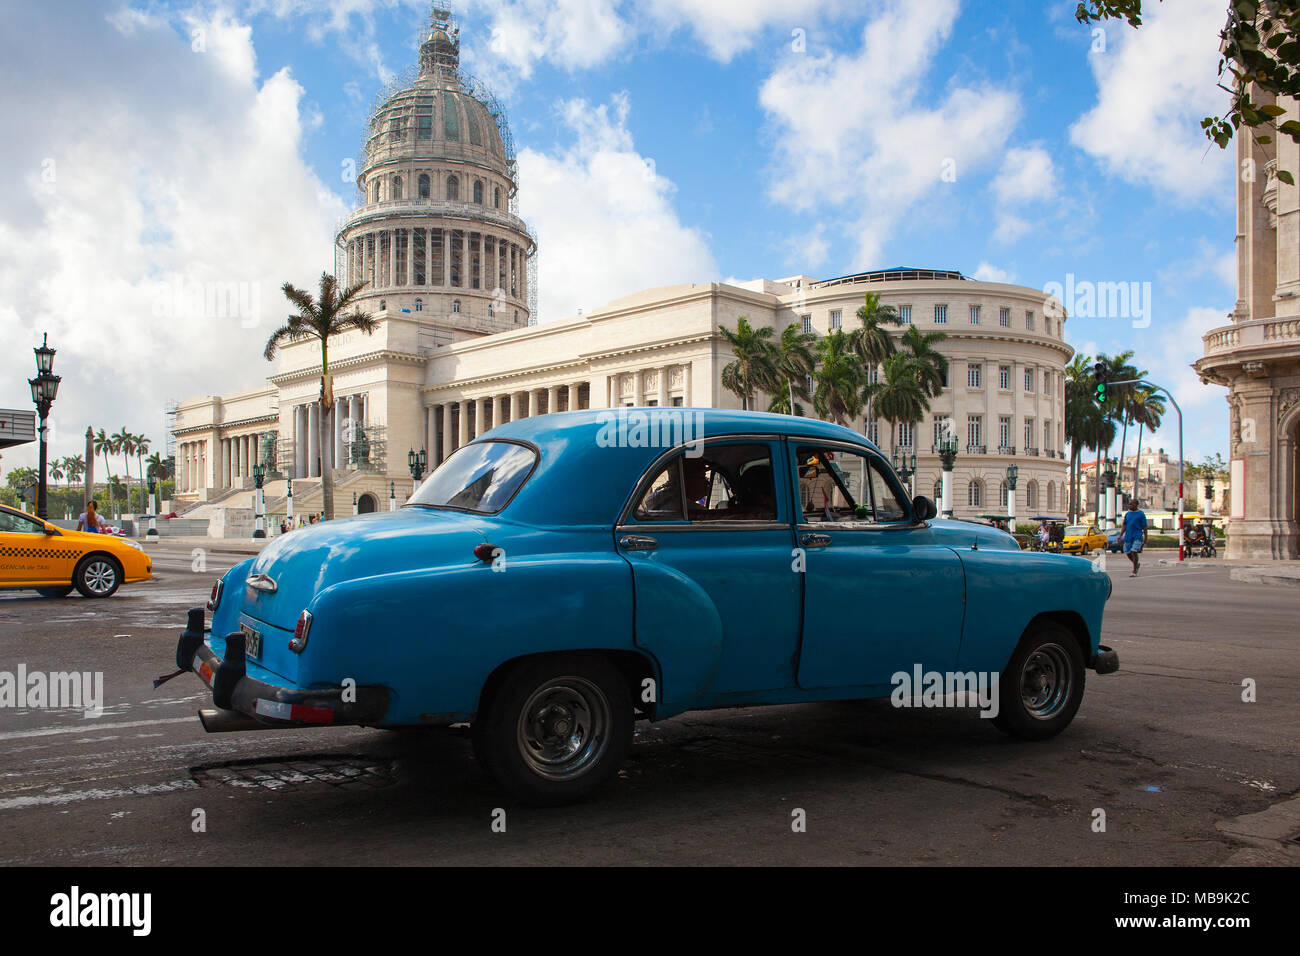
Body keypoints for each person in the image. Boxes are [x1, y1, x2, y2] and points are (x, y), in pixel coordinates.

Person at [1122, 498, 1148, 576]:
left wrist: (1146, 538)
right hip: (1128, 536)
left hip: (1137, 536)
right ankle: (1136, 563)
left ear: (1136, 505)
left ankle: (1134, 571)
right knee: (1128, 552)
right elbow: (1124, 525)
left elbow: (1144, 527)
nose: (1129, 505)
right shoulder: (1127, 514)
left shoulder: (1141, 514)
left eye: (1131, 504)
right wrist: (1120, 535)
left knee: (1134, 551)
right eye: (1129, 504)